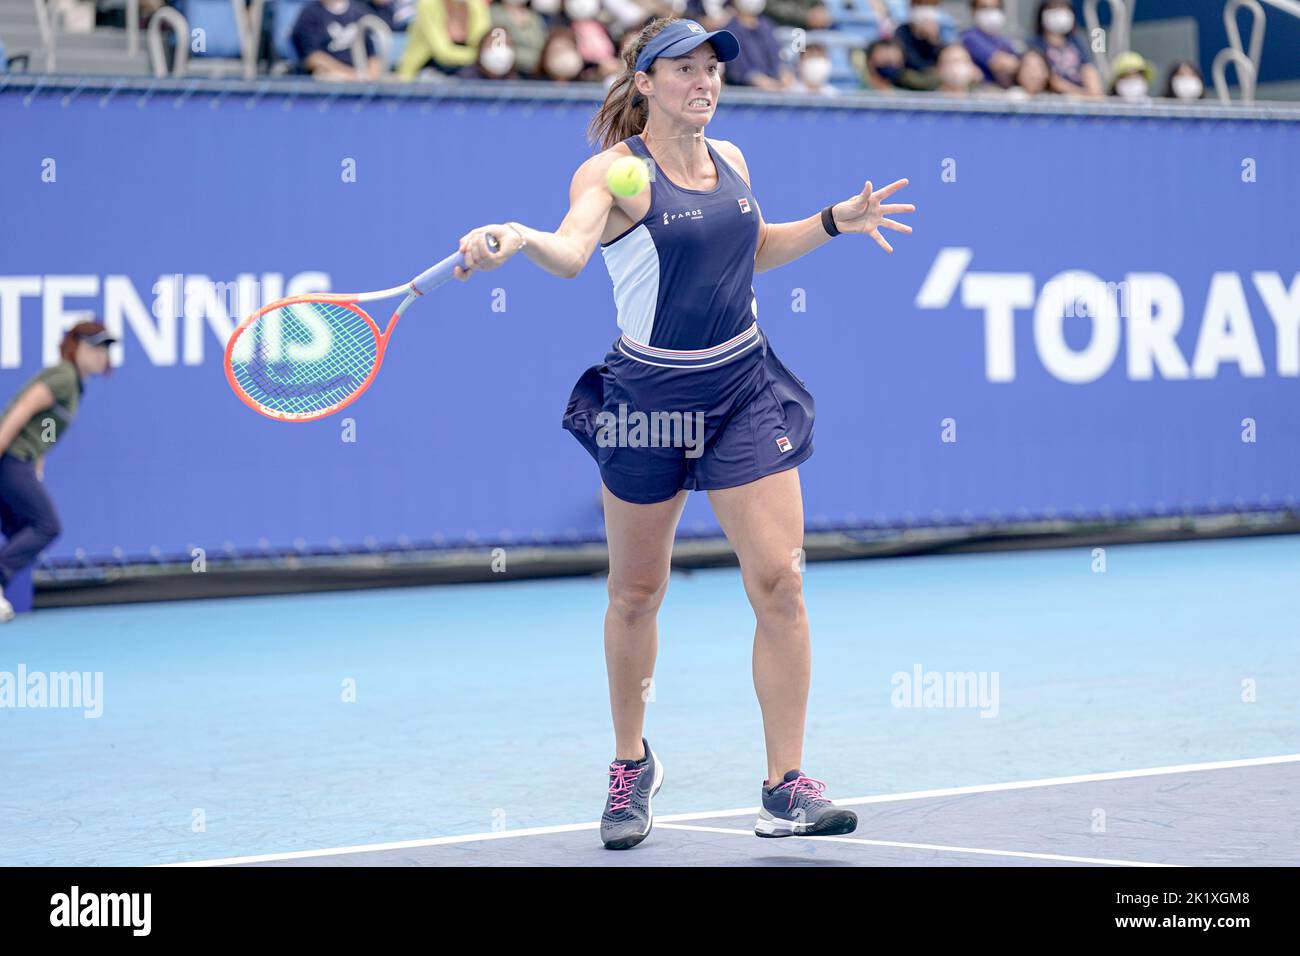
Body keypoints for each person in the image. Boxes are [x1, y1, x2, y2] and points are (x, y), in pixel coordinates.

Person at [449, 16, 915, 848]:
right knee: (636, 594)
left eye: (712, 69)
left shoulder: (732, 159)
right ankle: (632, 764)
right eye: (685, 69)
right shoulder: (615, 173)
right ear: (645, 82)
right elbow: (571, 251)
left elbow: (754, 249)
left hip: (742, 388)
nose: (704, 83)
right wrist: (517, 239)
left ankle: (785, 786)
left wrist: (833, 221)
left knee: (781, 583)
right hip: (649, 401)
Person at [0, 322, 115, 622]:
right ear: (75, 348)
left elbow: (45, 427)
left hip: (21, 461)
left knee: (19, 531)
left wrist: (39, 460)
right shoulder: (64, 376)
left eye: (105, 348)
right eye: (94, 347)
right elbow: (23, 408)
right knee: (46, 526)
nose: (101, 354)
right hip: (10, 459)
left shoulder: (75, 386)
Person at [397, 0, 492, 79]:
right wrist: (479, 58)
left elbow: (482, 44)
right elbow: (442, 53)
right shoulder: (427, 4)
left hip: (465, 69)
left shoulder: (476, 5)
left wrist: (482, 58)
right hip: (426, 68)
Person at [291, 0, 385, 80]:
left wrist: (370, 76)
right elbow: (312, 58)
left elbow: (373, 56)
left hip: (360, 74)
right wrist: (351, 75)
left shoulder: (361, 12)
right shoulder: (309, 14)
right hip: (329, 75)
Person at [1029, 0, 1102, 98]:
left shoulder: (1076, 42)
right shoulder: (1035, 43)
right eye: (1054, 7)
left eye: (1063, 7)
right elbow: (1051, 81)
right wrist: (1082, 94)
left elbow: (1087, 68)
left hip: (1082, 96)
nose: (1059, 13)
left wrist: (1093, 92)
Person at [720, 0, 793, 89]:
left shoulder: (767, 26)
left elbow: (778, 56)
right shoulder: (729, 31)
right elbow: (735, 70)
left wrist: (784, 73)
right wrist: (756, 80)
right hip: (745, 91)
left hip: (776, 89)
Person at [961, 0, 1019, 88]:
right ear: (973, 11)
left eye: (995, 7)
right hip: (981, 90)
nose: (991, 12)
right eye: (984, 7)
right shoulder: (969, 37)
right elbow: (998, 63)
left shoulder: (1004, 40)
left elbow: (1017, 65)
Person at [489, 0, 548, 76]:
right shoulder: (493, 14)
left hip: (535, 72)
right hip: (507, 72)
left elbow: (543, 44)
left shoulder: (535, 17)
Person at [457, 25, 522, 77]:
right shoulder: (464, 78)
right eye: (492, 43)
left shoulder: (519, 83)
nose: (499, 50)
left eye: (506, 44)